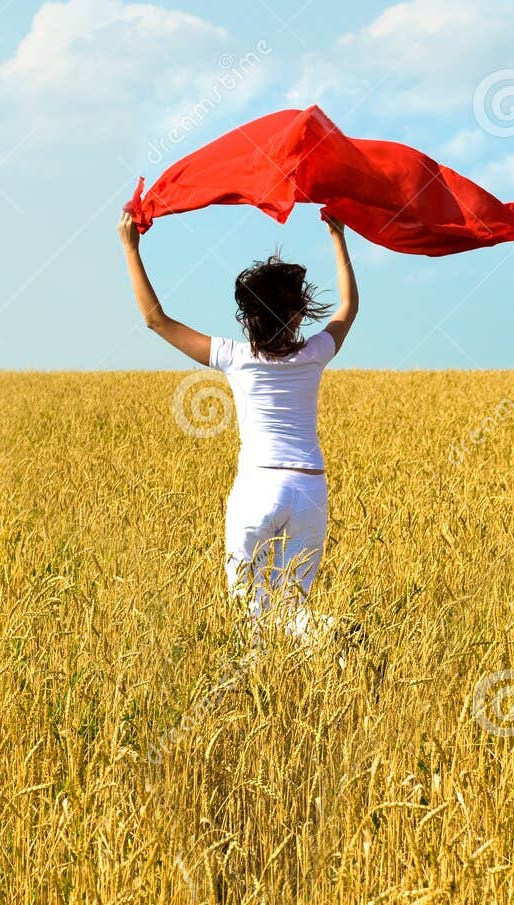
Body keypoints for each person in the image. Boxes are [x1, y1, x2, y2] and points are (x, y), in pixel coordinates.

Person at [117, 210, 359, 642]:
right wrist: (338, 237)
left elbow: (157, 321)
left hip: (258, 486)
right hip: (310, 490)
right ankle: (323, 634)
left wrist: (131, 248)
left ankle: (276, 670)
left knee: (251, 611)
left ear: (249, 316)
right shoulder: (315, 353)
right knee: (291, 607)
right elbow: (348, 307)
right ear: (298, 313)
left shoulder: (235, 355)